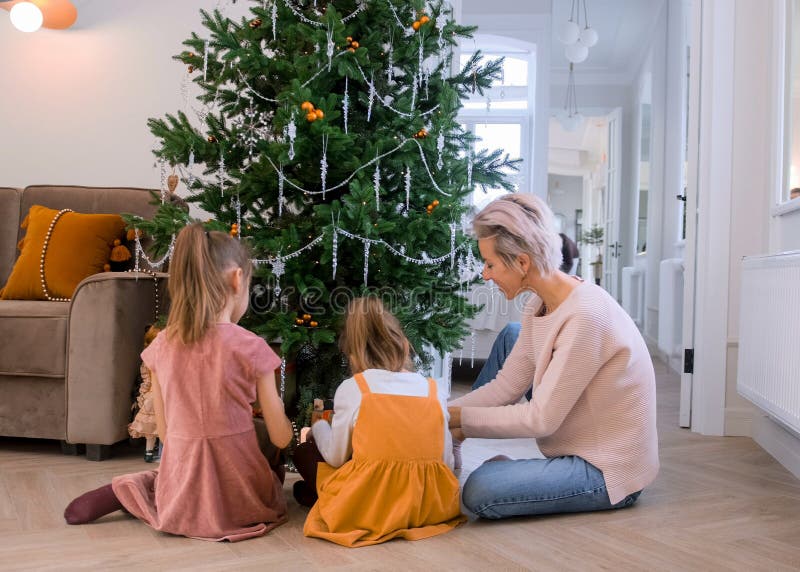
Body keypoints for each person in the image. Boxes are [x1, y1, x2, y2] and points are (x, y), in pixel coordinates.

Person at [64, 223, 293, 541]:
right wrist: (290, 425)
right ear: (237, 279)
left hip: (180, 495)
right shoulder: (252, 346)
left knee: (174, 468)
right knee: (269, 460)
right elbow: (281, 438)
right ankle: (140, 488)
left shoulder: (161, 345)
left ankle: (128, 490)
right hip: (241, 501)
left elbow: (167, 434)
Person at [448, 193, 658, 520]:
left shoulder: (586, 315)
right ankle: (459, 442)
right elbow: (505, 388)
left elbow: (540, 419)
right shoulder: (539, 305)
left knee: (481, 491)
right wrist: (443, 416)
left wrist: (456, 418)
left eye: (490, 264)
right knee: (512, 335)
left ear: (522, 262)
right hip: (574, 441)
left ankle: (515, 478)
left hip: (606, 469)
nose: (485, 274)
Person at [294, 296, 465, 547]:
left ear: (352, 351)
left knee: (305, 451)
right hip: (428, 507)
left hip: (372, 507)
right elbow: (446, 461)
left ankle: (329, 502)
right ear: (402, 344)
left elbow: (336, 457)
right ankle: (317, 496)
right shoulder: (433, 389)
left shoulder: (355, 388)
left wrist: (318, 427)